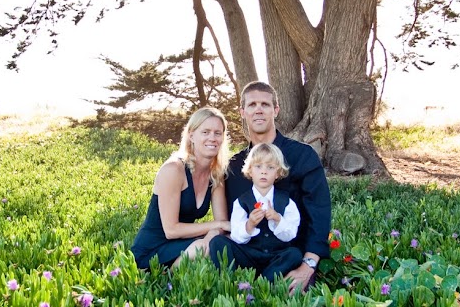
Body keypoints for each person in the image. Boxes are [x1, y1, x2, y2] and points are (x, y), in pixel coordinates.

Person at [209, 81, 332, 293]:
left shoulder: (303, 156)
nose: (258, 109)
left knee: (288, 295)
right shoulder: (234, 166)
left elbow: (319, 212)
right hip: (247, 256)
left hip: (291, 257)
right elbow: (231, 221)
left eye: (265, 104)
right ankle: (243, 287)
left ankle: (263, 286)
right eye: (252, 104)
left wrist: (308, 265)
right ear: (243, 112)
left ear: (276, 110)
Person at [131, 106, 232, 269]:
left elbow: (221, 222)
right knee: (202, 248)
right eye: (205, 132)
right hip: (151, 251)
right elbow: (171, 230)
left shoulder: (216, 174)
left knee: (215, 242)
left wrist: (213, 233)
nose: (212, 138)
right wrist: (216, 227)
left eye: (217, 133)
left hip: (181, 244)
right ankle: (164, 281)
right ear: (191, 135)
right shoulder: (174, 169)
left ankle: (175, 276)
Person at [218, 142, 302, 281]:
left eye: (270, 167)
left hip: (275, 256)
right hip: (249, 255)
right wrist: (249, 224)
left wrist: (277, 218)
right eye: (258, 166)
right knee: (218, 242)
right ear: (250, 171)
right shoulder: (241, 202)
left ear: (278, 173)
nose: (264, 171)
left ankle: (262, 283)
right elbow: (237, 235)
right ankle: (230, 282)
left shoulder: (286, 202)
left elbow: (290, 234)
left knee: (295, 254)